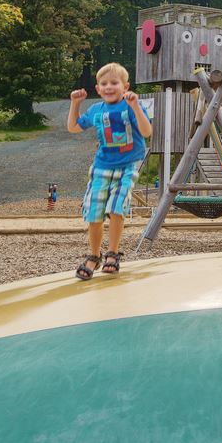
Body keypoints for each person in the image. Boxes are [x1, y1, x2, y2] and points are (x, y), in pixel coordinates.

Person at [67, 62, 152, 280]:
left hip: (127, 165)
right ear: (97, 88)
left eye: (114, 83)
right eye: (104, 83)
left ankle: (113, 253)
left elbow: (146, 131)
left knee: (116, 208)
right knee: (94, 212)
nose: (109, 87)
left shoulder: (130, 105)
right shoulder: (96, 110)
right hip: (101, 166)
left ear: (125, 86)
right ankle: (94, 255)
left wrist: (135, 107)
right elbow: (74, 127)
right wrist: (75, 104)